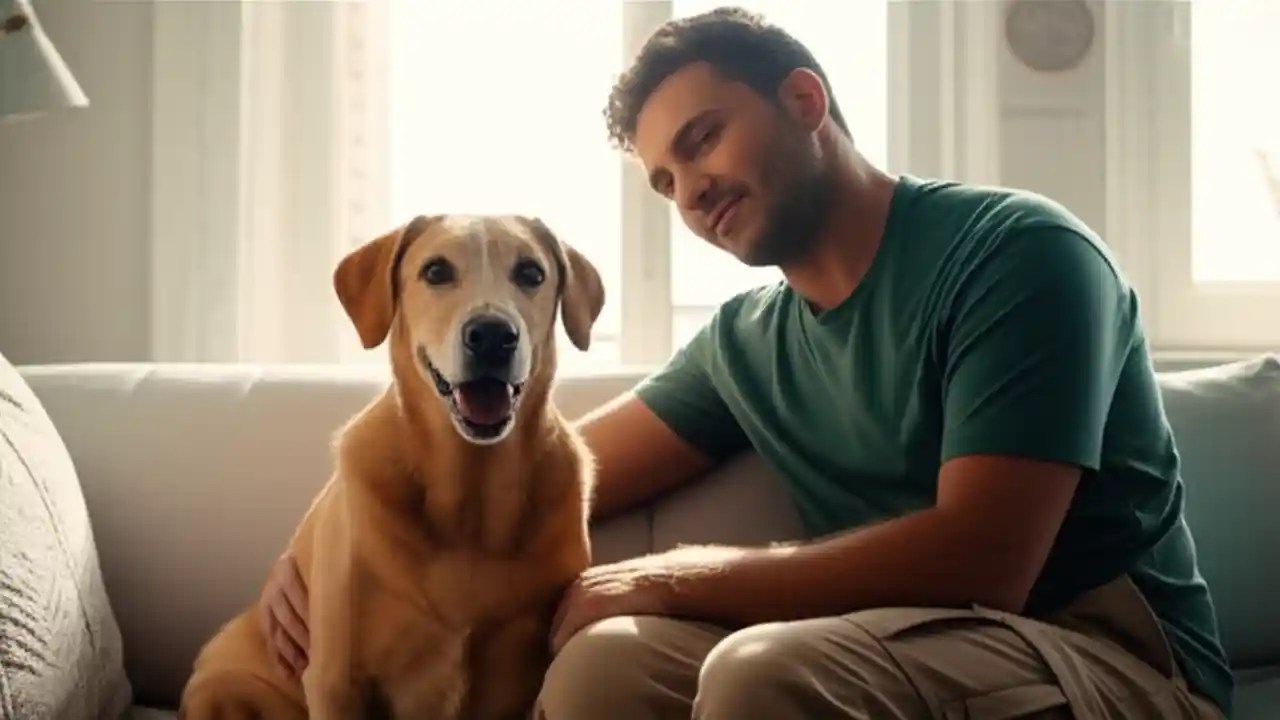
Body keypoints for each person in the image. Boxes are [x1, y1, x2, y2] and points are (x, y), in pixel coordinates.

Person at [259, 7, 1234, 719]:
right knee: (602, 668)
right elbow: (536, 465)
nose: (691, 194)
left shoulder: (1016, 253)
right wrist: (317, 538)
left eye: (703, 140)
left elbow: (987, 557)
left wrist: (675, 578)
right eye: (665, 180)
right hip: (914, 643)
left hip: (1110, 657)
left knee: (756, 674)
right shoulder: (749, 342)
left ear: (803, 99)